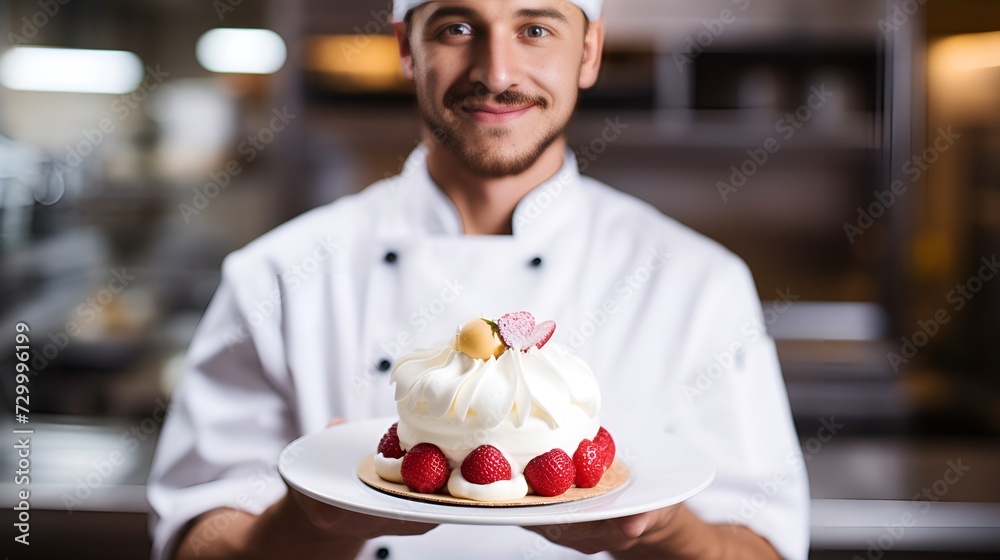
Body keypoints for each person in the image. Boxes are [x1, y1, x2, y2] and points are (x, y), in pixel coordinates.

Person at [147, 1, 810, 558]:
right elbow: (193, 539)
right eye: (457, 28)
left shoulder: (697, 282)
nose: (496, 73)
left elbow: (765, 546)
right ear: (407, 48)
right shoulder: (278, 275)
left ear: (589, 53)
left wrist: (668, 528)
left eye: (536, 29)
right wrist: (310, 524)